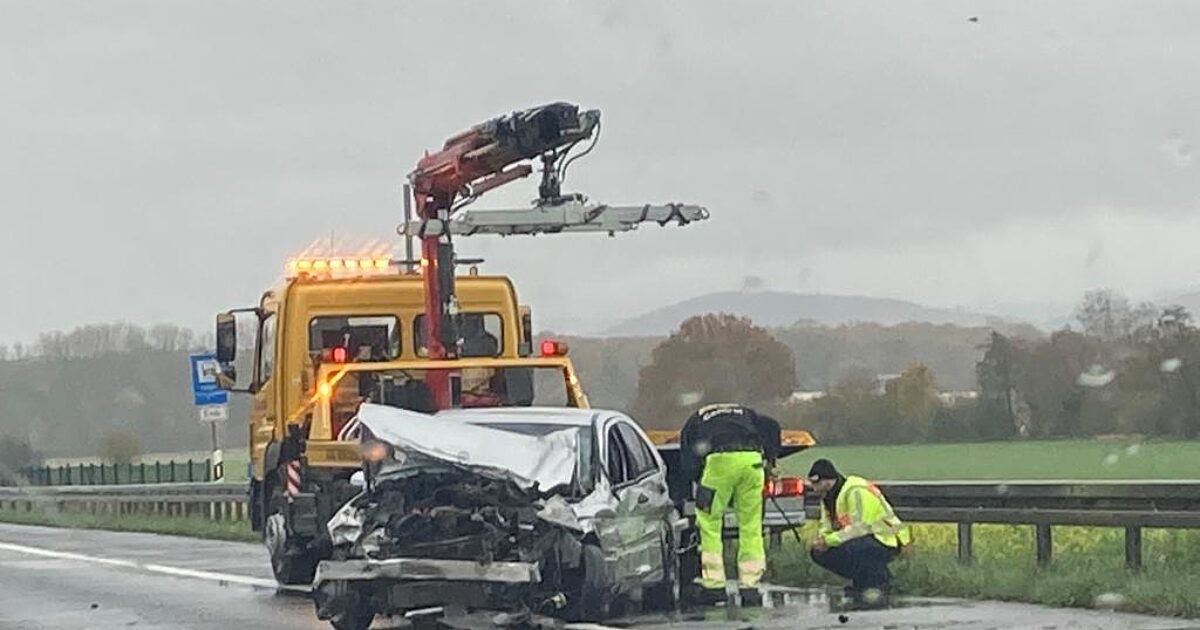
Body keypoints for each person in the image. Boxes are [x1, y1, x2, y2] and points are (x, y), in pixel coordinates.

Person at [679, 403, 781, 605]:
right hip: (752, 462)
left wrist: (699, 479)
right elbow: (772, 425)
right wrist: (771, 457)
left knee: (709, 523)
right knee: (751, 525)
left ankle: (715, 586)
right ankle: (750, 587)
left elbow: (688, 459)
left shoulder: (695, 420)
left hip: (719, 461)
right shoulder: (746, 412)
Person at [806, 458, 911, 609]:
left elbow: (860, 528)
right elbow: (826, 523)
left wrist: (829, 541)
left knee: (853, 548)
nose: (814, 489)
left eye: (816, 484)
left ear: (827, 481)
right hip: (863, 538)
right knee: (820, 553)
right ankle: (862, 582)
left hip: (887, 537)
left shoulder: (855, 490)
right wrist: (821, 540)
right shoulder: (828, 497)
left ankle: (880, 583)